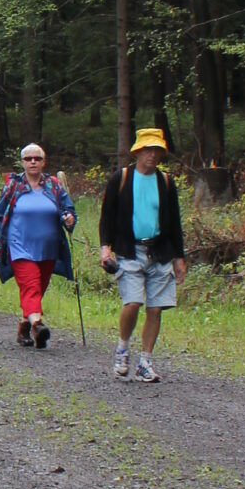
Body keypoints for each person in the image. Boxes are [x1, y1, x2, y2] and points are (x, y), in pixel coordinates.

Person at [100, 126, 187, 383]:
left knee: (156, 309)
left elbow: (175, 223)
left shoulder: (166, 182)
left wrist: (179, 257)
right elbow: (107, 216)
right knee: (133, 303)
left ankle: (145, 361)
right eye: (148, 150)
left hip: (159, 251)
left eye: (157, 150)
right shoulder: (122, 178)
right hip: (129, 250)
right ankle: (122, 349)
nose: (152, 155)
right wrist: (105, 247)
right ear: (137, 152)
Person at [0, 143, 77, 349]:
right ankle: (38, 325)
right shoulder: (14, 186)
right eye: (28, 159)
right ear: (22, 163)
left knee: (37, 289)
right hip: (19, 246)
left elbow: (68, 209)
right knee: (30, 285)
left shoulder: (53, 186)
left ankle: (24, 327)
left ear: (44, 162)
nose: (33, 162)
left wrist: (70, 219)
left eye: (37, 158)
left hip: (49, 248)